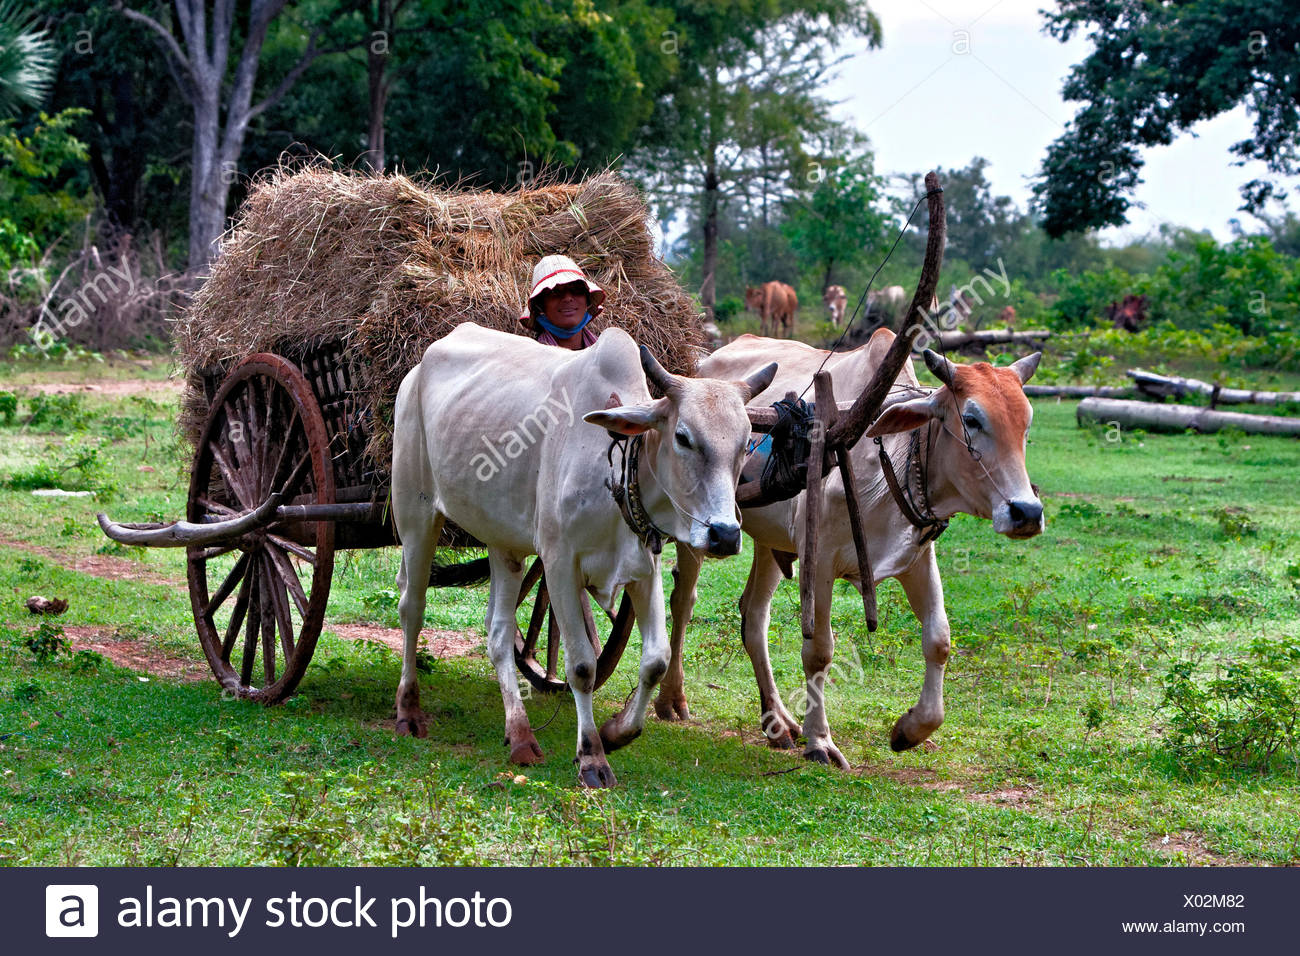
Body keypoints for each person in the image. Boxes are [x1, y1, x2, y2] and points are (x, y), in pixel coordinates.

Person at [520, 254, 605, 351]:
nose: (568, 298)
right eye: (555, 292)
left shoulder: (604, 355)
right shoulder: (533, 360)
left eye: (576, 289)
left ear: (587, 300)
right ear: (540, 305)